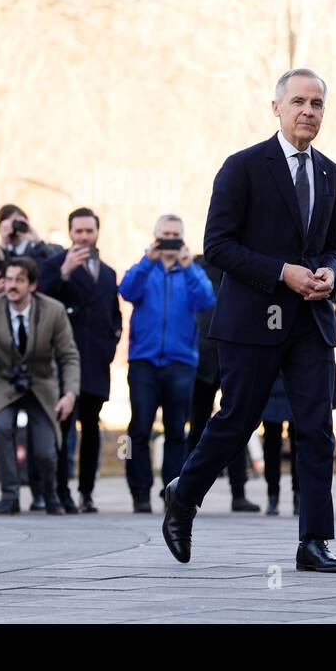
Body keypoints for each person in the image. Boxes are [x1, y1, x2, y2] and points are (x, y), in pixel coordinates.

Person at [162, 68, 336, 572]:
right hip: (253, 318)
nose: (308, 111)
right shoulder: (242, 167)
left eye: (316, 104)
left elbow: (334, 246)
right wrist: (281, 273)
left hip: (311, 320)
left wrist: (330, 272)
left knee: (316, 428)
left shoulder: (330, 173)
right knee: (238, 419)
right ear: (277, 107)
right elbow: (218, 247)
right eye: (298, 102)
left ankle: (314, 541)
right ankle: (184, 495)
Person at [0, 256, 79, 515]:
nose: (12, 286)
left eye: (19, 280)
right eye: (8, 279)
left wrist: (70, 393)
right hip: (4, 382)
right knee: (2, 428)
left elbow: (69, 356)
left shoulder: (54, 311)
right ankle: (9, 495)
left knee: (46, 450)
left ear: (33, 285)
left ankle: (49, 493)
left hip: (42, 382)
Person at [119, 214, 216, 513]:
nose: (170, 239)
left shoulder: (191, 272)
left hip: (181, 362)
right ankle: (140, 492)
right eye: (165, 234)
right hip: (144, 361)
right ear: (155, 236)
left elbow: (206, 300)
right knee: (139, 428)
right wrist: (149, 259)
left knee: (176, 430)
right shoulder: (144, 268)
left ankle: (172, 491)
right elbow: (126, 291)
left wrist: (187, 267)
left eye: (175, 234)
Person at [37, 207, 122, 514]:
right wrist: (63, 274)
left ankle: (87, 492)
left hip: (97, 361)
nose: (84, 237)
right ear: (70, 232)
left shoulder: (109, 272)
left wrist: (111, 343)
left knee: (91, 429)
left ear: (97, 232)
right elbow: (42, 299)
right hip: (63, 361)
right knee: (62, 427)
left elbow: (114, 313)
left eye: (89, 231)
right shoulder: (53, 264)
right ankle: (60, 491)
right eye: (78, 231)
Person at [189, 253, 258, 512]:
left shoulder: (242, 264)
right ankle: (188, 490)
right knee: (197, 427)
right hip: (200, 358)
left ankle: (238, 492)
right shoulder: (196, 267)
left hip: (234, 354)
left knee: (236, 424)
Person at [261, 373, 296, 516]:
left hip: (293, 383)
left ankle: (298, 495)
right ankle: (273, 494)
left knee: (299, 442)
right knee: (271, 444)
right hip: (272, 383)